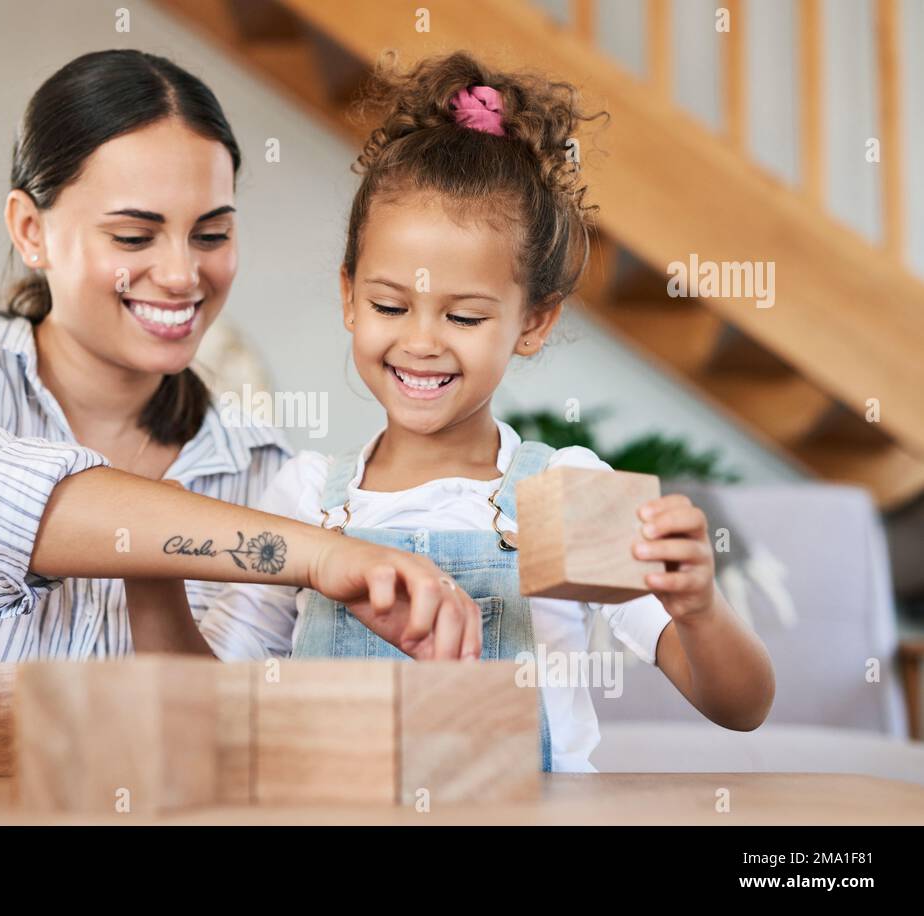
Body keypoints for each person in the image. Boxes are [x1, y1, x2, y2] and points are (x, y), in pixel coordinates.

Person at [0, 49, 481, 766]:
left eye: (212, 233)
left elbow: (220, 749)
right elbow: (6, 506)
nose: (184, 274)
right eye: (133, 236)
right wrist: (317, 555)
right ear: (31, 230)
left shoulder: (264, 474)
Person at [125, 51, 775, 773]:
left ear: (533, 321)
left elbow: (741, 707)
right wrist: (149, 568)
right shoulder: (305, 499)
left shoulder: (564, 487)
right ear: (348, 296)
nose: (422, 341)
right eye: (389, 305)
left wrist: (697, 609)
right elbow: (206, 710)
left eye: (464, 317)